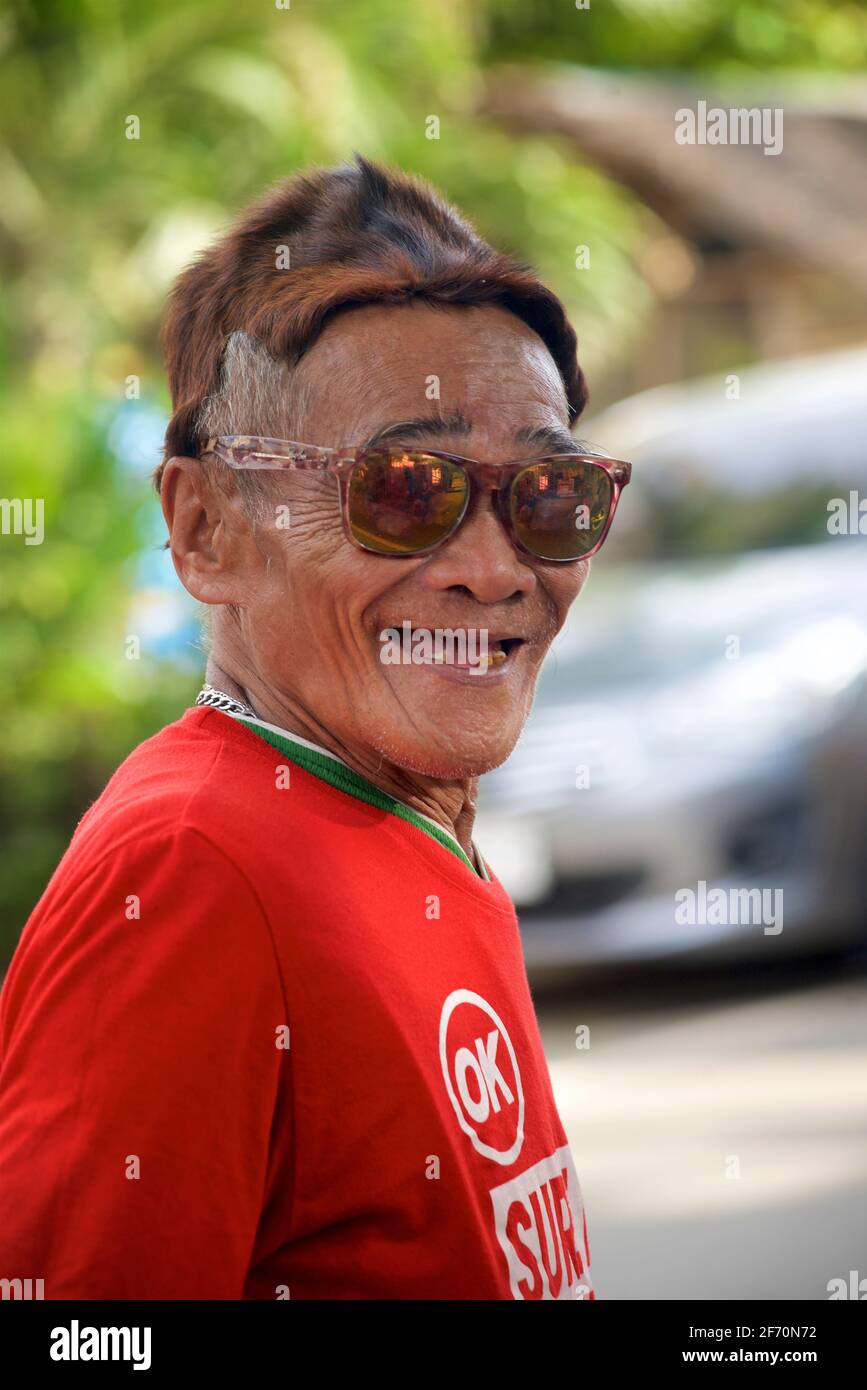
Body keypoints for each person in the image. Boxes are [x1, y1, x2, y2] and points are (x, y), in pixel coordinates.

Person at [0, 155, 630, 1300]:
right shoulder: (194, 870)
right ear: (206, 532)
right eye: (403, 491)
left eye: (550, 499)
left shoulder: (399, 812)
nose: (495, 572)